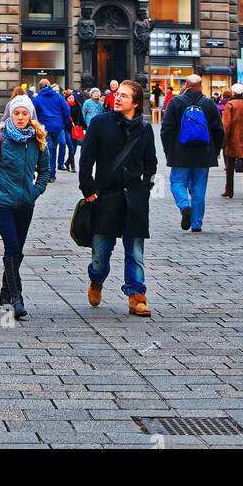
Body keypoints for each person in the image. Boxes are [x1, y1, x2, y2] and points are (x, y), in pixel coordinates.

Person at [79, 79, 158, 317]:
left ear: (135, 102)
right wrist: (87, 187)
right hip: (106, 195)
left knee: (135, 250)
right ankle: (96, 278)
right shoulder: (100, 123)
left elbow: (151, 161)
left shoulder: (144, 129)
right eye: (117, 94)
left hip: (134, 197)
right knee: (101, 251)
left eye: (124, 95)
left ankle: (137, 296)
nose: (117, 98)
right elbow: (86, 158)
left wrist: (146, 187)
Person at [0, 94, 51, 319]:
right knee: (12, 247)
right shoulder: (0, 139)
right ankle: (17, 298)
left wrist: (35, 191)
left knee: (17, 251)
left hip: (25, 204)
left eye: (24, 113)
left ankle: (4, 293)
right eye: (16, 113)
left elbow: (46, 171)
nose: (20, 117)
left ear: (31, 116)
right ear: (11, 114)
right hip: (2, 202)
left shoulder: (38, 139)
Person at [161, 75, 223, 231]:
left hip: (180, 154)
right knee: (199, 189)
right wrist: (214, 152)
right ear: (201, 87)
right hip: (203, 155)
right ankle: (196, 224)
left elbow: (165, 130)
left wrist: (169, 151)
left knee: (177, 183)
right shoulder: (209, 104)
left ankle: (184, 206)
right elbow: (219, 130)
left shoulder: (175, 103)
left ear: (186, 86)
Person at [33, 78, 71, 182]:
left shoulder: (38, 98)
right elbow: (67, 109)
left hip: (44, 127)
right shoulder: (58, 96)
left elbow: (33, 113)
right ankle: (52, 174)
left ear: (39, 86)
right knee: (54, 149)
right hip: (57, 126)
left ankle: (49, 174)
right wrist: (64, 122)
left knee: (48, 150)